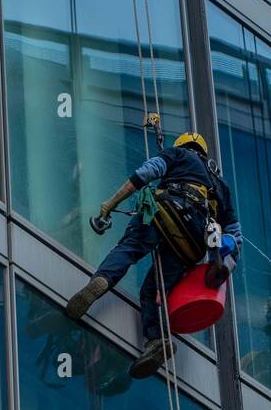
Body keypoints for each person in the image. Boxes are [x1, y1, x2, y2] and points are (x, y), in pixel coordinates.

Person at [65, 131, 241, 380]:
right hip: (192, 243)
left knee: (130, 248)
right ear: (204, 152)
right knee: (153, 290)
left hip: (165, 212)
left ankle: (102, 280)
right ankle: (156, 339)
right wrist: (226, 266)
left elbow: (145, 174)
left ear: (183, 146)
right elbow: (235, 234)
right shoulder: (220, 185)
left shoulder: (178, 154)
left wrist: (110, 204)